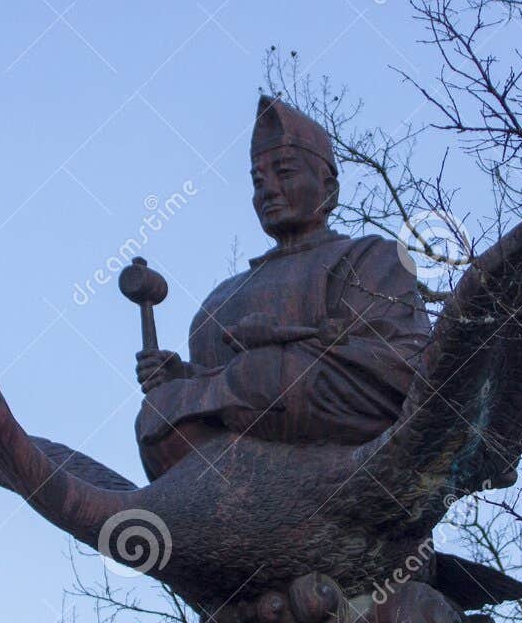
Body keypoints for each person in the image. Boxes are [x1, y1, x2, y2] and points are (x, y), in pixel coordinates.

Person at [134, 97, 429, 479]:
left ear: (328, 188)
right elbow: (215, 381)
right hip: (237, 432)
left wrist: (279, 349)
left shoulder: (372, 257)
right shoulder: (221, 300)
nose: (268, 190)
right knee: (159, 410)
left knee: (260, 372)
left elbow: (404, 364)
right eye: (258, 181)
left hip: (329, 407)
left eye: (284, 173)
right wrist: (182, 376)